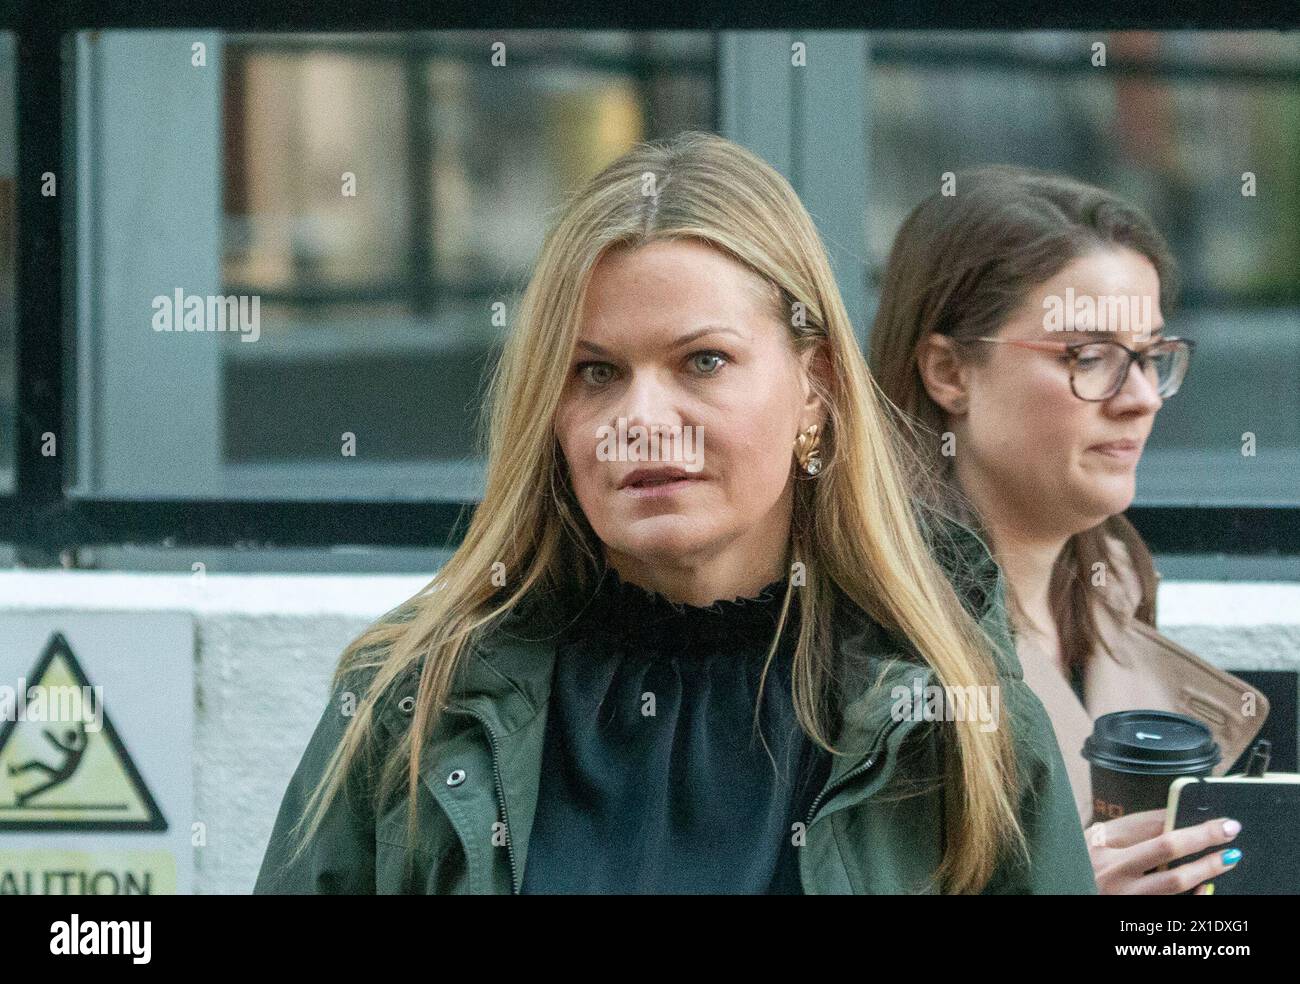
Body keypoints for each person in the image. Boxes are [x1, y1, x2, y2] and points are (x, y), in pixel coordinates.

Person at [253, 133, 1094, 895]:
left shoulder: (947, 705)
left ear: (818, 388)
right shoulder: (418, 698)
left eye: (703, 361)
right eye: (596, 372)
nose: (642, 421)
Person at [867, 165, 1269, 895]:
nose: (1142, 398)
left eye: (1149, 357)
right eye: (1090, 357)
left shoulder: (1110, 586)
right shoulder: (865, 643)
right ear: (949, 372)